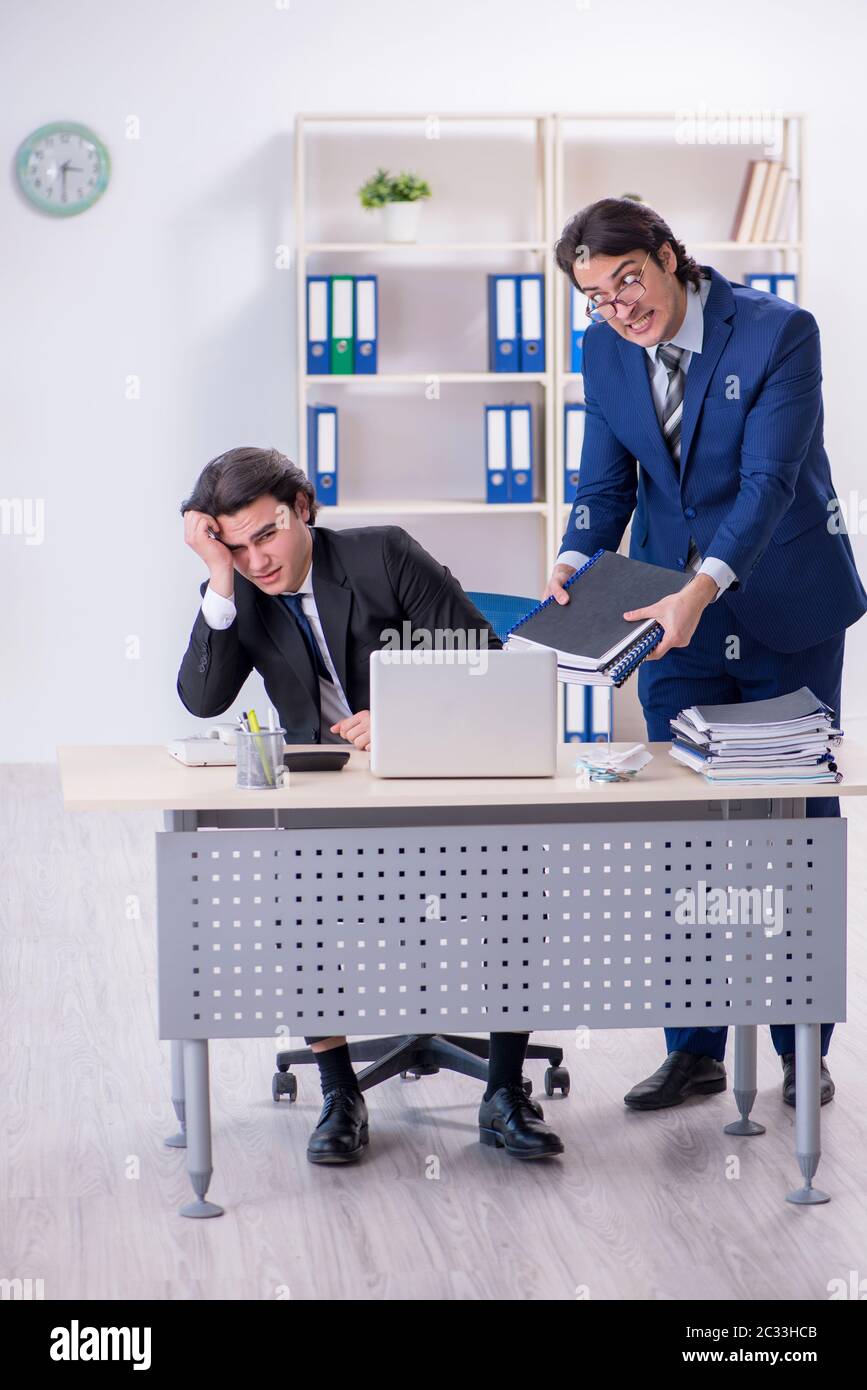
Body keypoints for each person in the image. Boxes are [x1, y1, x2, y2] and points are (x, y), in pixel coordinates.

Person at [547, 197, 867, 1111]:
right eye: (596, 298)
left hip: (781, 604)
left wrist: (700, 590)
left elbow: (768, 484)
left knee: (791, 831)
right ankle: (694, 1049)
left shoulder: (777, 333)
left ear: (666, 256)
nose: (618, 308)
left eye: (627, 281)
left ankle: (800, 1044)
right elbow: (602, 482)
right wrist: (574, 559)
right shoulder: (605, 350)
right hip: (663, 612)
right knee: (686, 836)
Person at [177, 446, 564, 1162]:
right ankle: (339, 1093)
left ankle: (505, 1091)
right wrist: (218, 577)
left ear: (302, 509)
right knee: (294, 896)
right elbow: (202, 698)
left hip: (439, 778)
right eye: (236, 545)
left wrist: (399, 715)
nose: (258, 558)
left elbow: (482, 657)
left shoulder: (380, 555)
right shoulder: (242, 596)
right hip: (327, 796)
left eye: (267, 534)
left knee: (512, 880)